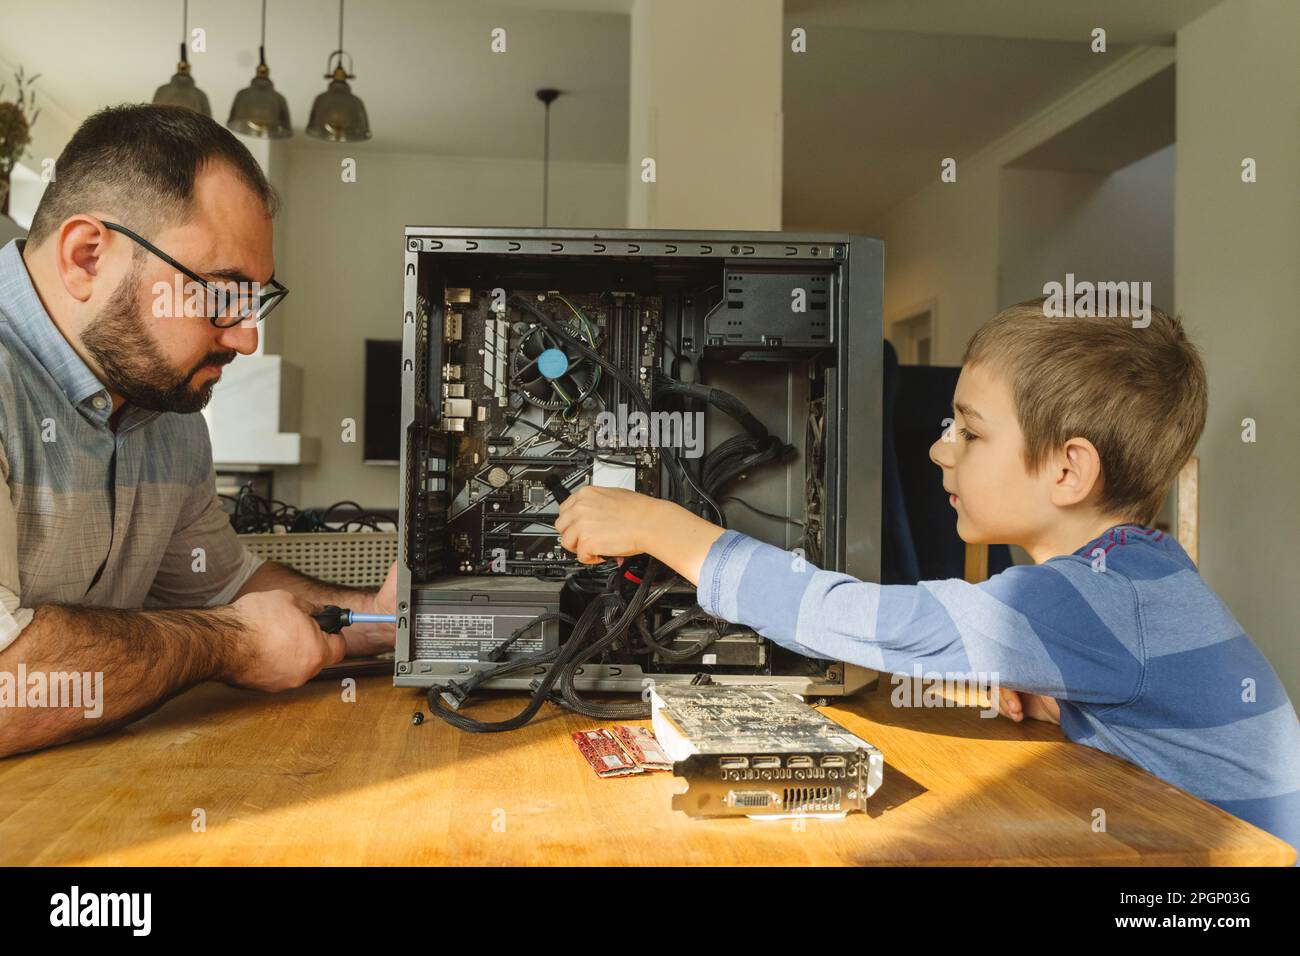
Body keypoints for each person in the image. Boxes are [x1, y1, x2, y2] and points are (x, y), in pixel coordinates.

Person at [554, 297, 1300, 854]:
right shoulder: (1136, 576)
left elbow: (862, 620)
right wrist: (1068, 698)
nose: (943, 452)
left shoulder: (1090, 596)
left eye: (971, 432)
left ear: (1070, 469)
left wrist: (664, 528)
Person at [0, 104, 395, 758]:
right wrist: (227, 643)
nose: (245, 337)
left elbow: (220, 585)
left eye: (255, 299)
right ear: (87, 255)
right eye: (222, 294)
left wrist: (377, 618)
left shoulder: (167, 411)